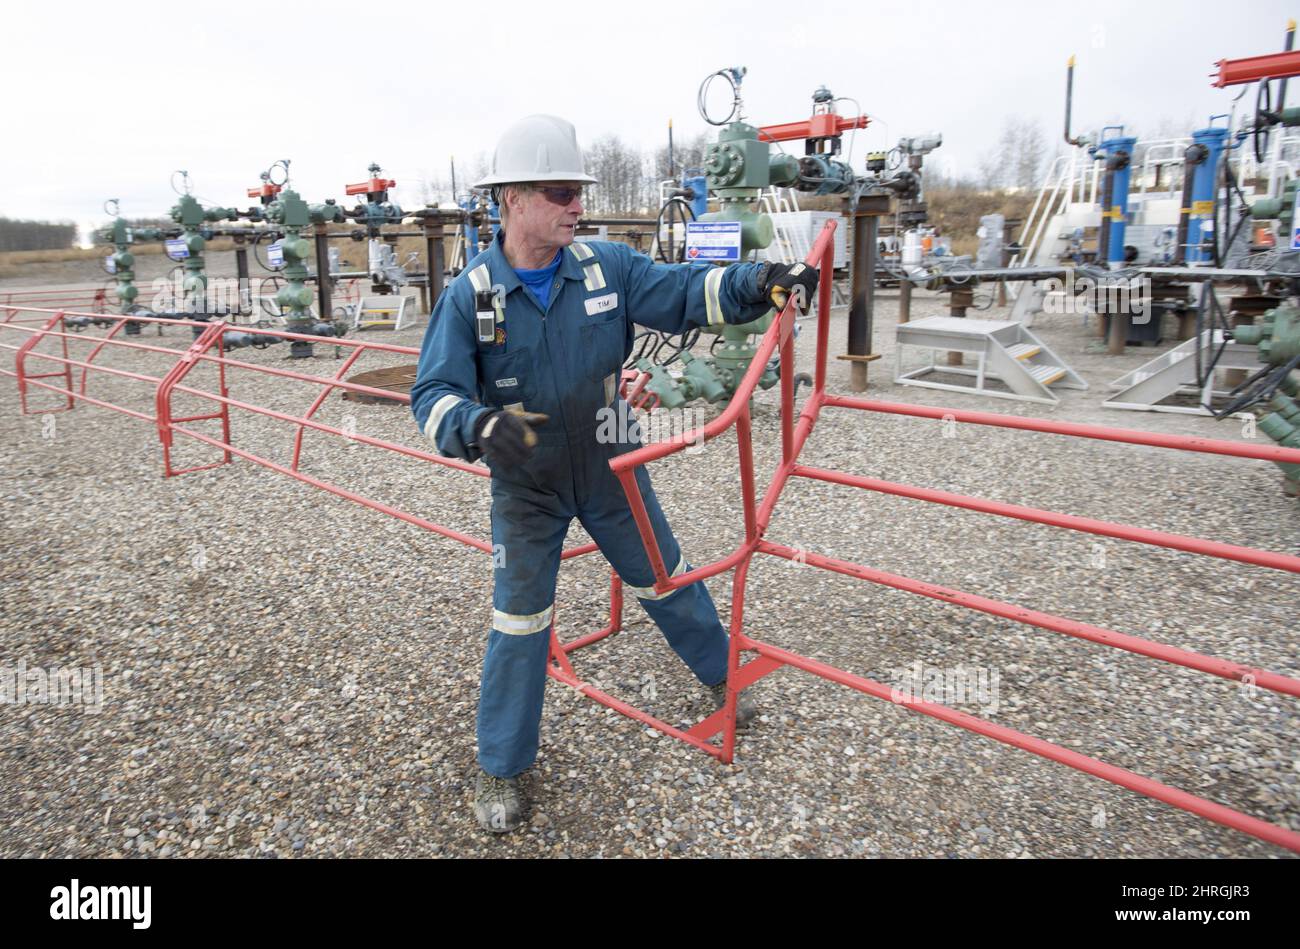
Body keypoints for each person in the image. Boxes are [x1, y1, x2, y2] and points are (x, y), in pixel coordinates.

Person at [410, 114, 818, 833]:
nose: (578, 206)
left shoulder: (606, 267)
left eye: (579, 192)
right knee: (519, 618)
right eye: (562, 191)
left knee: (665, 573)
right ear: (512, 198)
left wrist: (762, 278)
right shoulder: (471, 293)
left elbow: (691, 291)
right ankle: (502, 765)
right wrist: (475, 425)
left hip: (609, 460)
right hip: (527, 486)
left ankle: (723, 679)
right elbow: (431, 393)